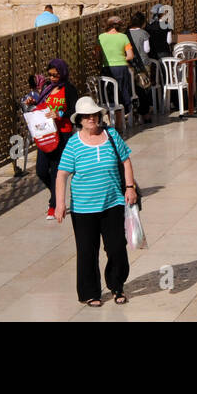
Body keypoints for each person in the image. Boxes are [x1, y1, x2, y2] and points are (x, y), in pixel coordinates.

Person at [54, 96, 137, 307]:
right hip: (83, 208)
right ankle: (90, 292)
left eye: (94, 115)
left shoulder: (111, 135)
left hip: (113, 202)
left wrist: (130, 187)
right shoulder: (73, 144)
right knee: (86, 251)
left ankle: (117, 285)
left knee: (117, 247)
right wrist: (60, 204)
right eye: (86, 116)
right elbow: (62, 175)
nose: (91, 119)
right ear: (79, 120)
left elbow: (125, 161)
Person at [23, 57, 78, 219]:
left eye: (56, 75)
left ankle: (54, 204)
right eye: (50, 75)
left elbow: (75, 112)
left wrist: (59, 114)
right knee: (41, 170)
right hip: (46, 133)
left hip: (62, 133)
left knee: (55, 170)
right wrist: (33, 101)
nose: (53, 78)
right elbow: (41, 106)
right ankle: (55, 194)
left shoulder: (69, 89)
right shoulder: (48, 88)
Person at [98, 16, 135, 119]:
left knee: (109, 94)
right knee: (122, 94)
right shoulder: (123, 37)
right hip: (121, 68)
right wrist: (121, 58)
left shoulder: (101, 37)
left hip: (107, 68)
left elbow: (97, 54)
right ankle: (120, 122)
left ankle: (111, 120)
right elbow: (130, 55)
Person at [126, 11, 154, 124]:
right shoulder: (144, 33)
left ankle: (134, 112)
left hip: (130, 64)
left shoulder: (125, 33)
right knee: (144, 89)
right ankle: (146, 114)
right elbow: (147, 50)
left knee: (133, 89)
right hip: (143, 64)